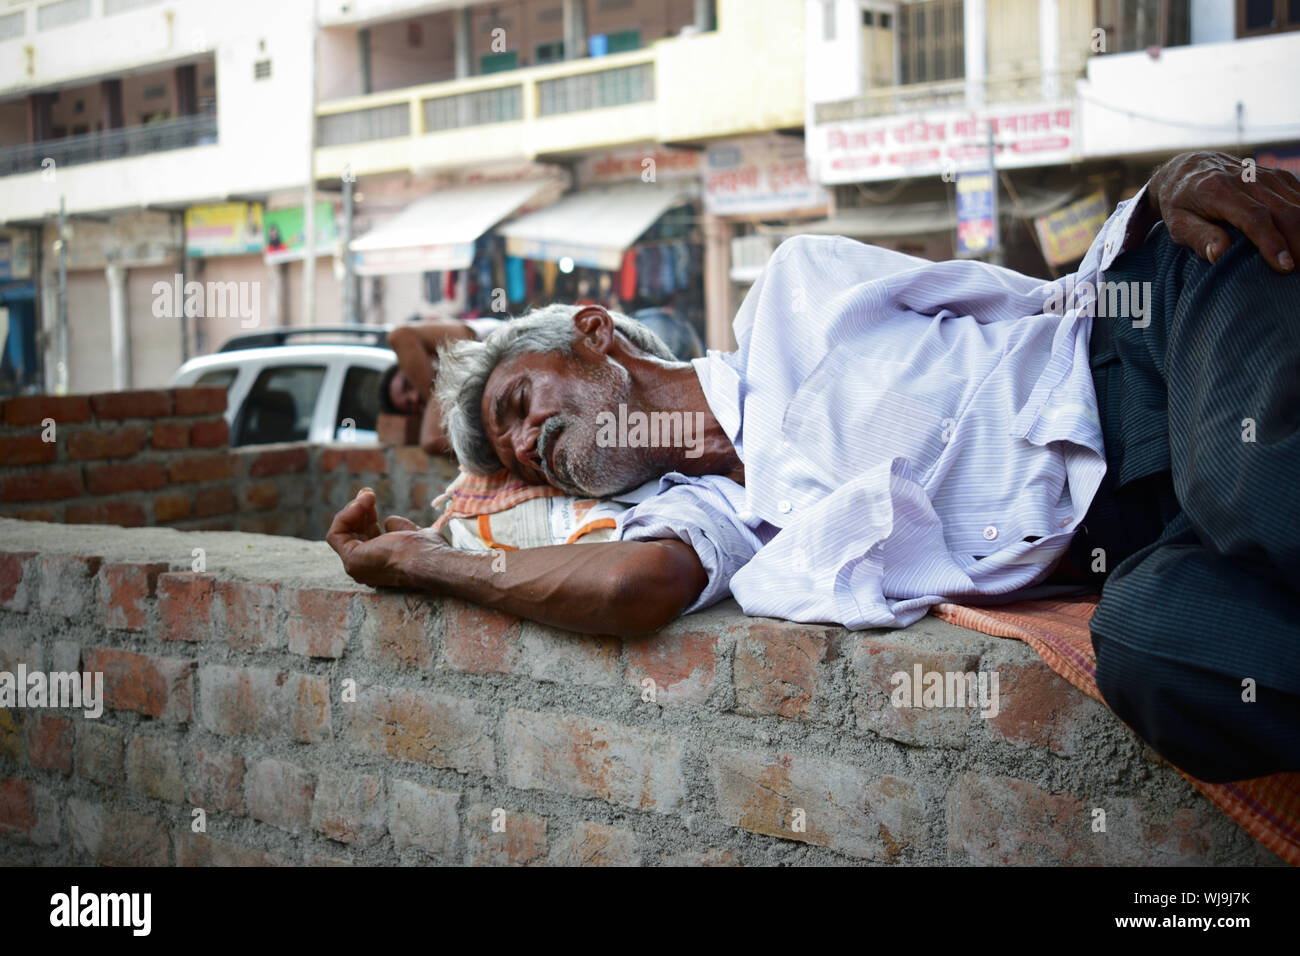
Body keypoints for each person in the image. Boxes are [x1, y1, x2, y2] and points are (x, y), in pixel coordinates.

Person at [329, 151, 1300, 782]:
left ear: (593, 333)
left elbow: (1031, 298)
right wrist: (422, 561)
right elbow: (627, 583)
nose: (531, 438)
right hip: (1135, 531)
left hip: (1154, 345)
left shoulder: (795, 289)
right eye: (520, 455)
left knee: (1245, 481)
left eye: (518, 402)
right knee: (1158, 649)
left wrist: (1167, 186)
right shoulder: (720, 516)